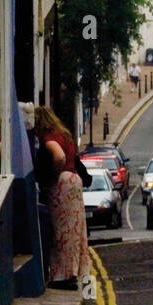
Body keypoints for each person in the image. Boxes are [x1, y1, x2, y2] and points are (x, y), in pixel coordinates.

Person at [33, 106, 91, 291]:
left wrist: (54, 176)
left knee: (61, 232)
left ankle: (63, 276)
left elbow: (59, 156)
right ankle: (76, 274)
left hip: (63, 183)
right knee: (75, 231)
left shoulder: (48, 137)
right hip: (75, 181)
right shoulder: (64, 134)